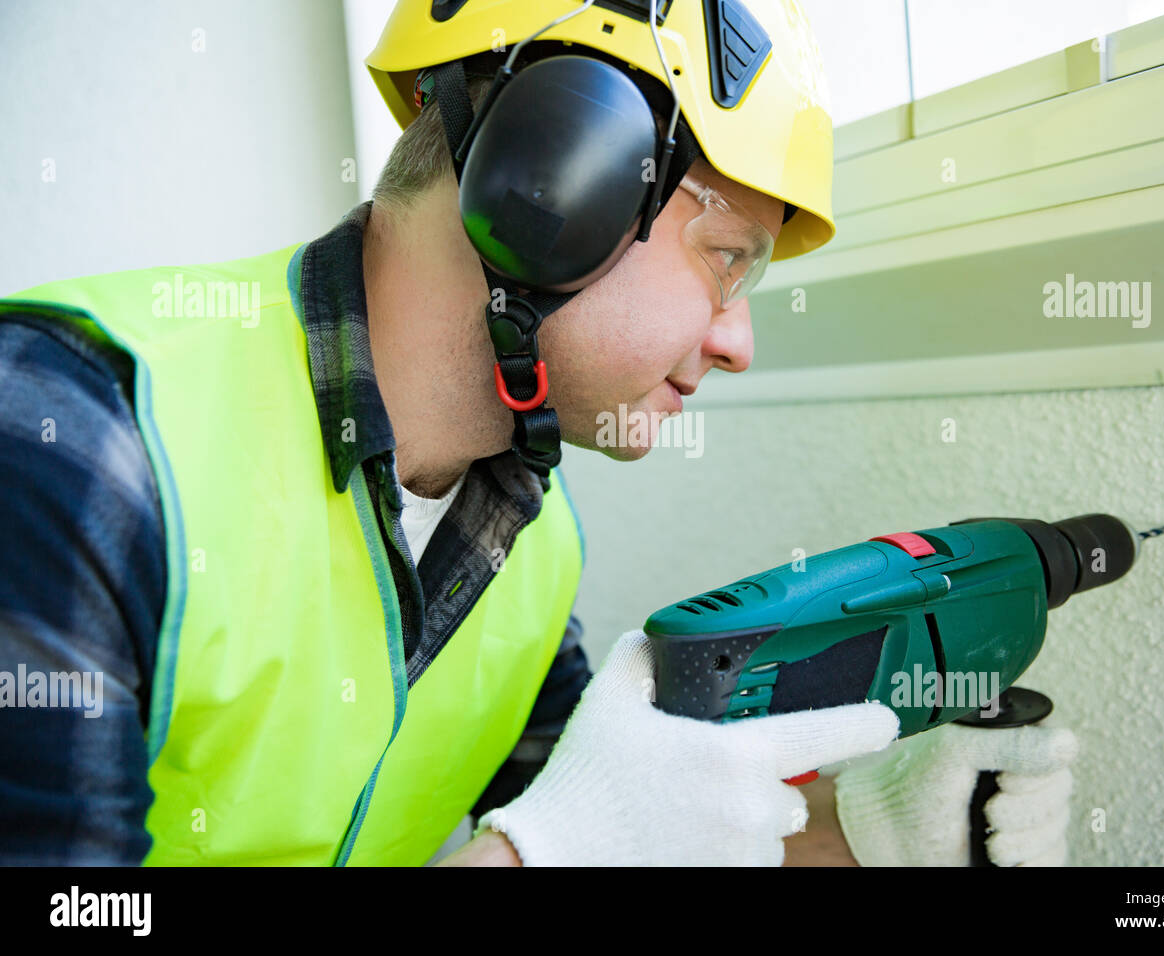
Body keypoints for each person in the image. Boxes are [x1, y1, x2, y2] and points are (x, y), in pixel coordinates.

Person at [0, 0, 1074, 867]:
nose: (740, 338)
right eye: (728, 256)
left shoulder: (526, 534)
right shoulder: (77, 437)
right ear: (553, 178)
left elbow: (620, 825)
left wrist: (855, 834)